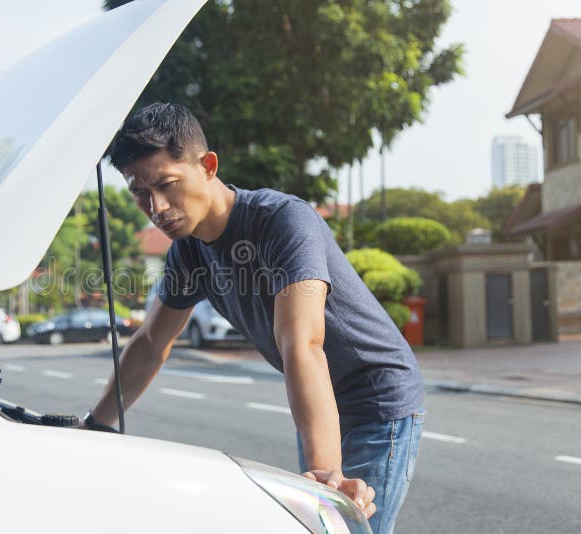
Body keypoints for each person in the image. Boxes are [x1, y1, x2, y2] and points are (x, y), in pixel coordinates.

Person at [80, 103, 424, 533]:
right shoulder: (188, 251)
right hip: (319, 400)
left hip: (375, 396)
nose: (158, 206)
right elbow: (151, 343)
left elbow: (302, 342)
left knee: (341, 529)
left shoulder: (282, 222)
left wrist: (324, 470)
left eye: (168, 184)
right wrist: (94, 425)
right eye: (140, 193)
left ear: (207, 165)